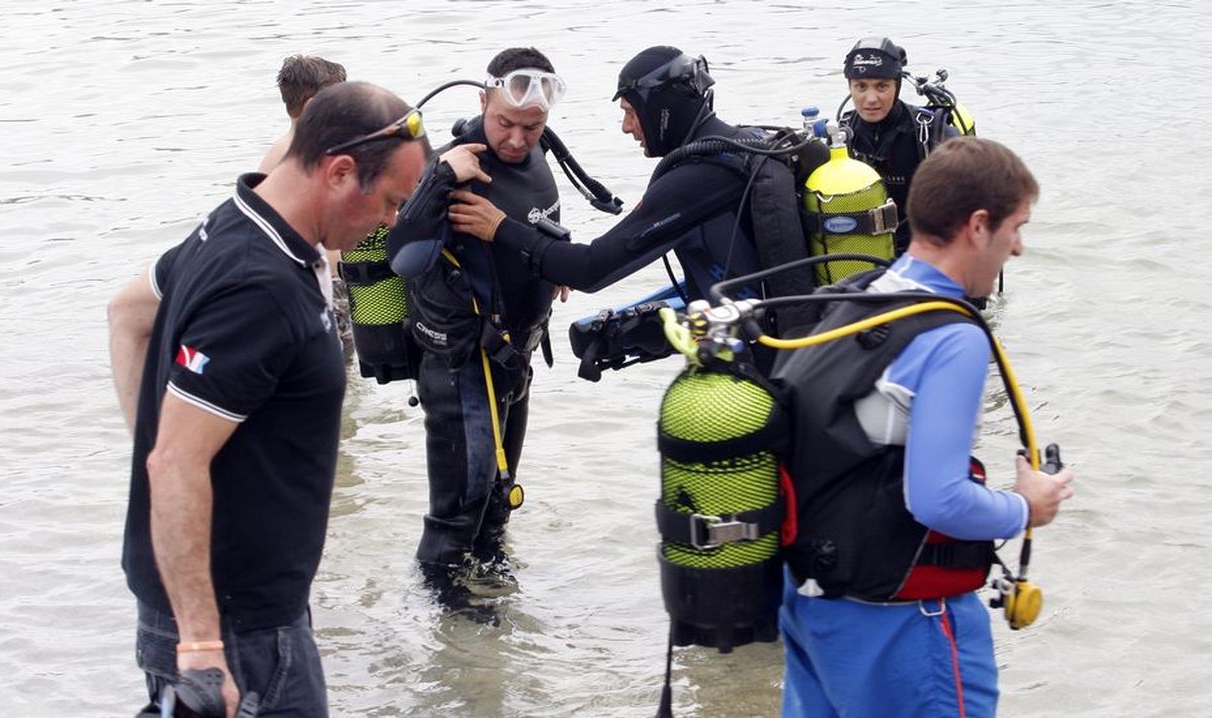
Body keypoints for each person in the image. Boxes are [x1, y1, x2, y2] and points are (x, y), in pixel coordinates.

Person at [107, 81, 432, 717]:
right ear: (340, 172)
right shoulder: (260, 287)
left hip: (232, 611)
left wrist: (161, 446)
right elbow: (172, 464)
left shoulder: (228, 226)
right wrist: (202, 645)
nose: (392, 224)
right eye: (390, 203)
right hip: (236, 631)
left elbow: (127, 312)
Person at [774, 137, 1075, 717]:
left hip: (813, 606)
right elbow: (938, 499)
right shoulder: (951, 337)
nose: (1018, 248)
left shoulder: (856, 297)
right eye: (1016, 227)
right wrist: (1024, 506)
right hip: (907, 623)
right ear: (978, 226)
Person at [448, 46, 827, 359]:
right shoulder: (746, 146)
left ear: (660, 110)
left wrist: (499, 227)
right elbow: (720, 271)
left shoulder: (699, 177)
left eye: (630, 112)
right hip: (790, 349)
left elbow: (593, 267)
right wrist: (624, 331)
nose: (627, 127)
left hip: (763, 367)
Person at [384, 47, 567, 589]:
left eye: (531, 127)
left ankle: (493, 602)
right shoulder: (454, 166)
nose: (516, 139)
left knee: (496, 501)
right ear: (483, 100)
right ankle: (446, 619)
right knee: (458, 509)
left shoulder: (539, 156)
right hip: (463, 365)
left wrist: (554, 263)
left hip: (517, 357)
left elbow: (540, 222)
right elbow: (403, 255)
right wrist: (439, 177)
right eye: (504, 123)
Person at [258, 55, 354, 365]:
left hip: (311, 284)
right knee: (335, 371)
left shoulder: (281, 153)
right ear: (314, 105)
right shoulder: (299, 157)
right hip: (316, 285)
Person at [840, 37, 961, 255]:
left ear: (897, 86)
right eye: (861, 86)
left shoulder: (930, 131)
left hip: (925, 252)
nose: (871, 99)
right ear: (850, 87)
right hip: (865, 252)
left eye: (882, 86)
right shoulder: (843, 134)